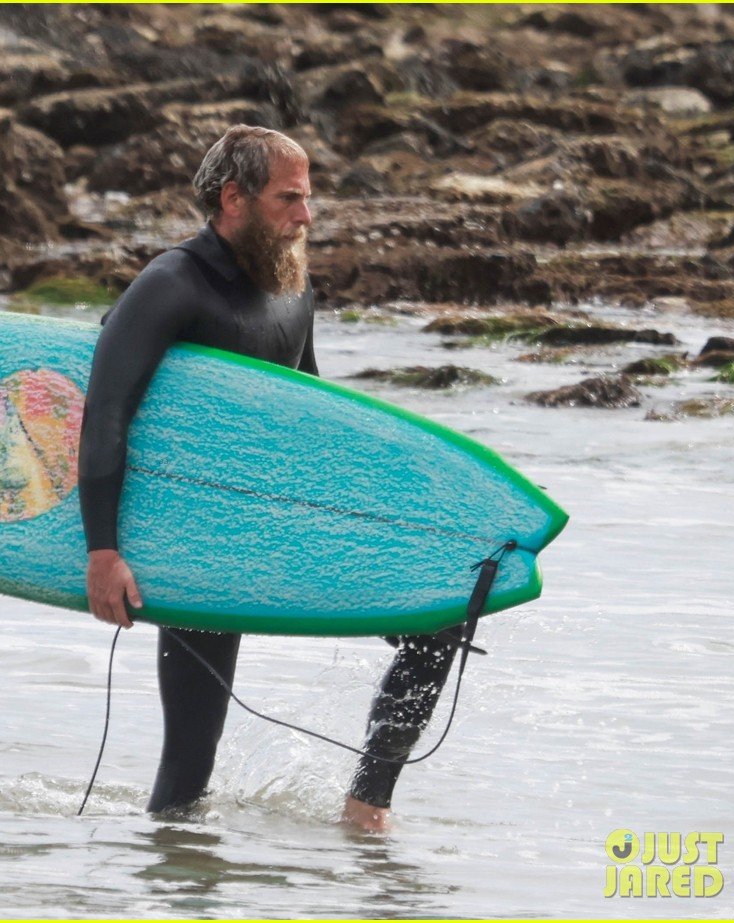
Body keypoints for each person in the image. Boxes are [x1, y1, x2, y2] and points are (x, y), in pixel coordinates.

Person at [77, 125, 457, 831]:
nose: (306, 216)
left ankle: (366, 809)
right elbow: (105, 414)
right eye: (290, 199)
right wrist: (103, 551)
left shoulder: (293, 286)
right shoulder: (169, 286)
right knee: (191, 755)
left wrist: (389, 510)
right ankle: (176, 878)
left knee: (439, 624)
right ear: (234, 198)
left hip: (281, 524)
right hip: (199, 542)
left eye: (307, 199)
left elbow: (308, 415)